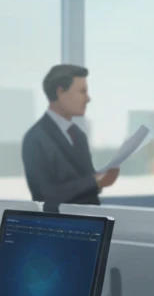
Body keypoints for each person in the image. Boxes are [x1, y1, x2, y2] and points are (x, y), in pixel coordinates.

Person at [21, 64, 118, 210]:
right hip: (60, 222)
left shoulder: (79, 135)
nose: (88, 99)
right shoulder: (35, 138)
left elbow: (86, 183)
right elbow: (45, 196)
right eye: (82, 91)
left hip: (91, 218)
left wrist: (101, 180)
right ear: (60, 92)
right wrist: (95, 181)